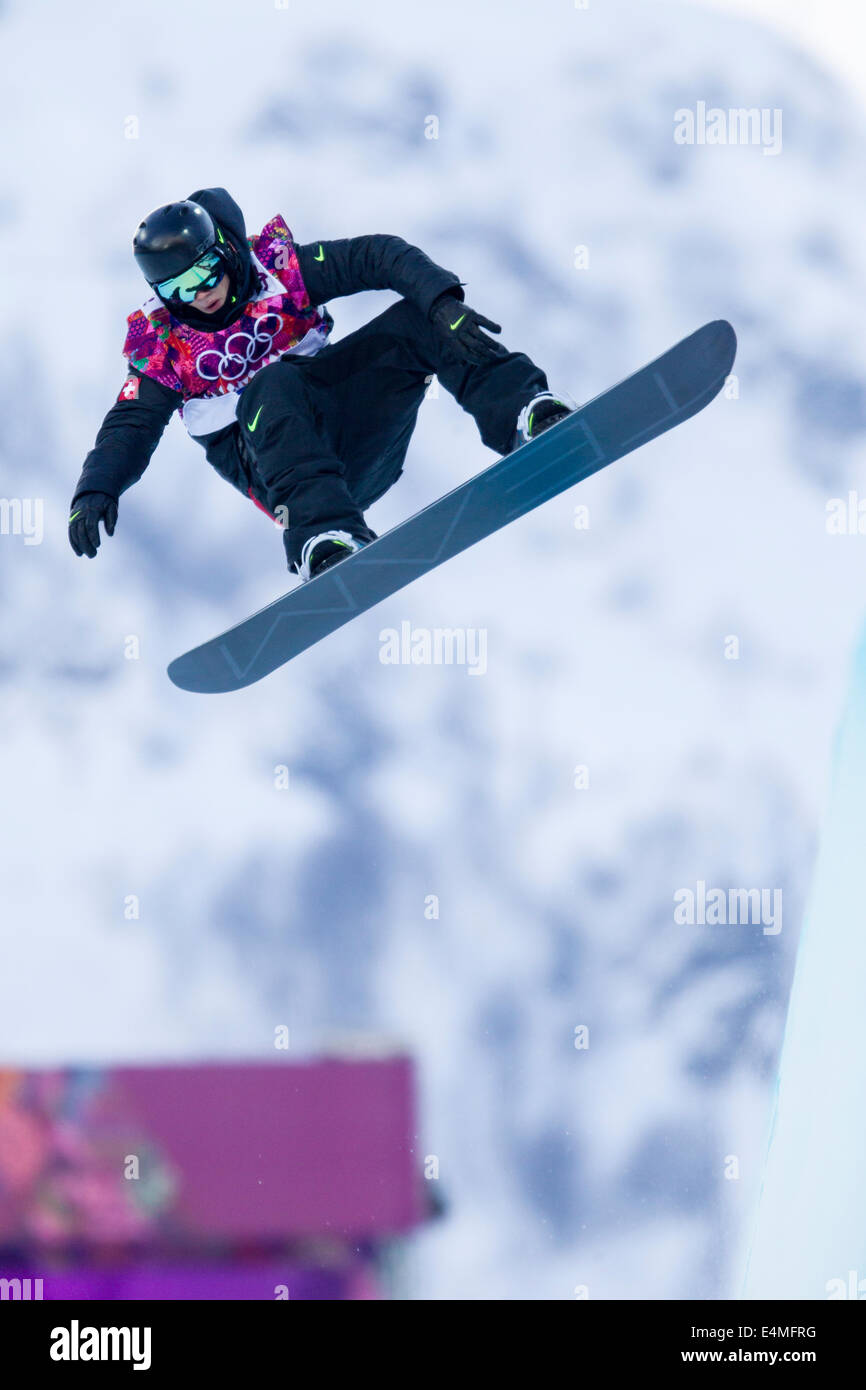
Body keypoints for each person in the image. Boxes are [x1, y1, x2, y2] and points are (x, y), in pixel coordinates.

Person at [69, 188, 573, 581]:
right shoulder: (165, 345)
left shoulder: (280, 272)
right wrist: (97, 487)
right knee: (268, 387)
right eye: (177, 288)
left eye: (205, 273)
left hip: (351, 431)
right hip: (276, 470)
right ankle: (324, 536)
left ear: (225, 252)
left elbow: (378, 255)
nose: (199, 295)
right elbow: (130, 423)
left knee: (417, 323)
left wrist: (441, 301)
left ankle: (524, 415)